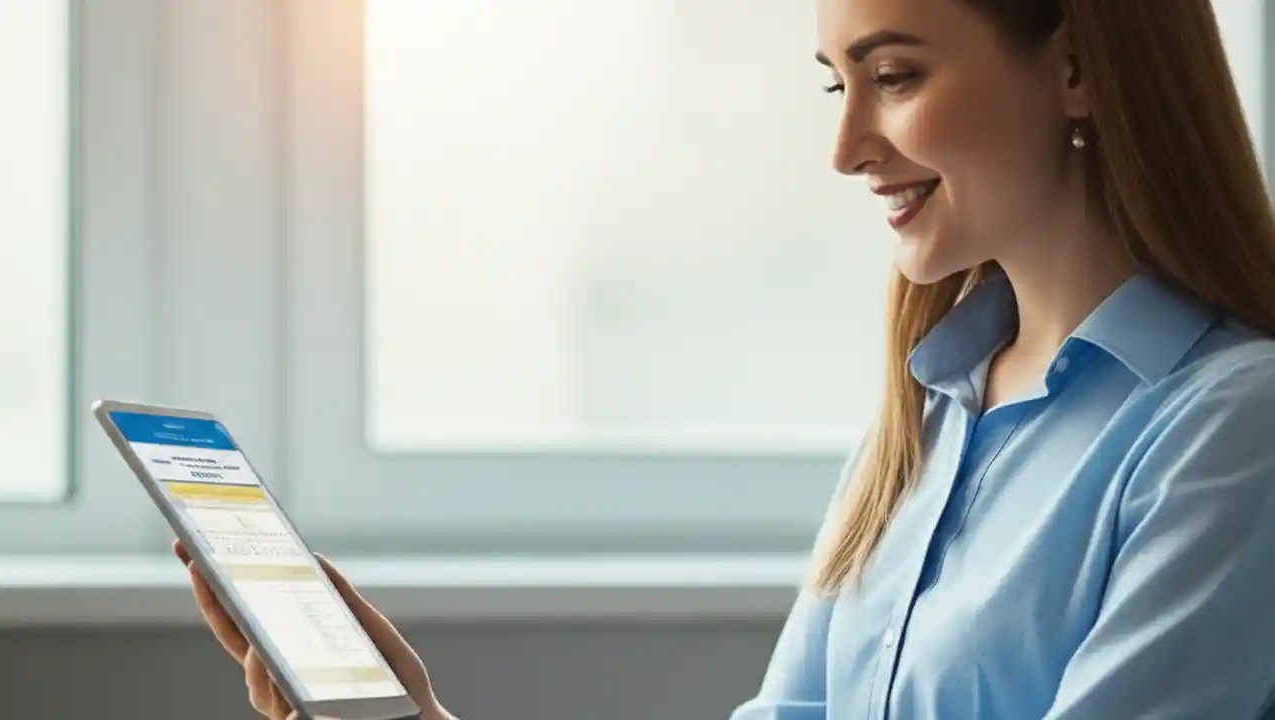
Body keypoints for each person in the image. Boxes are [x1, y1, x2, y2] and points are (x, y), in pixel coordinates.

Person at [179, 0, 1275, 717]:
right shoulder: (928, 415)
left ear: (1076, 66)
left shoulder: (1229, 428)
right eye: (834, 86)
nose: (844, 148)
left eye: (893, 76)